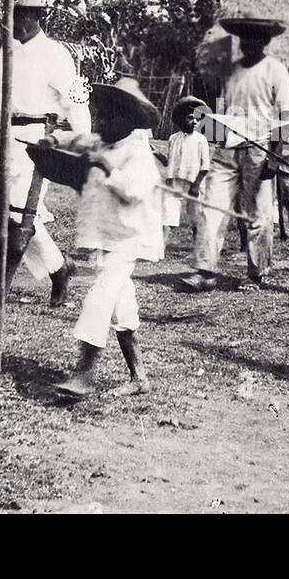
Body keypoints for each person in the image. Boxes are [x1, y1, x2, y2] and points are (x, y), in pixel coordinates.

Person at [0, 0, 90, 307]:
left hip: (37, 143)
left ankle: (8, 287)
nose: (11, 21)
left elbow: (77, 100)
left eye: (18, 14)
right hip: (4, 139)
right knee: (9, 214)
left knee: (20, 214)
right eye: (8, 14)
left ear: (33, 16)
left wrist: (82, 142)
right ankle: (59, 268)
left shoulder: (56, 55)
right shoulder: (5, 52)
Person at [52, 78, 165, 398]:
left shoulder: (140, 155)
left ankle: (84, 372)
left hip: (128, 238)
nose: (98, 122)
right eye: (96, 114)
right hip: (107, 236)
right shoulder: (102, 143)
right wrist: (53, 139)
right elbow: (77, 140)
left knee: (100, 297)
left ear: (127, 121)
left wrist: (107, 169)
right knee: (120, 304)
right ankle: (139, 376)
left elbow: (132, 193)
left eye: (105, 117)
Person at [184, 14, 289, 292]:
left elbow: (286, 116)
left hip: (259, 148)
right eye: (244, 38)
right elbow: (222, 111)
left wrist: (273, 156)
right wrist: (217, 139)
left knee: (258, 213)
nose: (248, 43)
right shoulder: (230, 71)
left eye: (254, 38)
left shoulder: (275, 70)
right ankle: (204, 271)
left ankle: (256, 273)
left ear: (265, 41)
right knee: (213, 208)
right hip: (227, 148)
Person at [161, 95, 211, 247]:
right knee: (167, 214)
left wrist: (196, 185)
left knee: (196, 215)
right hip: (175, 181)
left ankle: (198, 247)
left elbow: (205, 166)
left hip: (194, 182)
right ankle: (161, 246)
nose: (194, 122)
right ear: (181, 119)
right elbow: (171, 160)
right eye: (190, 118)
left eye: (197, 119)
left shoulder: (201, 139)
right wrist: (158, 156)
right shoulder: (173, 138)